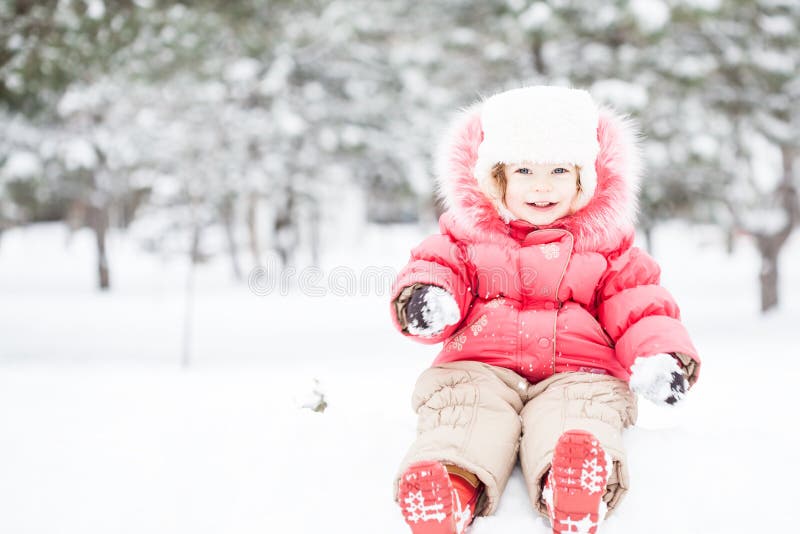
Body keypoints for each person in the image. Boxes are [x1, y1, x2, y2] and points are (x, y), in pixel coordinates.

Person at [389, 86, 700, 534]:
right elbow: (437, 267)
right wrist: (427, 299)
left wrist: (660, 357)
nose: (541, 185)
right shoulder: (466, 237)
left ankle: (572, 484)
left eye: (558, 169)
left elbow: (639, 304)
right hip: (481, 364)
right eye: (524, 170)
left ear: (583, 178)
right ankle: (447, 487)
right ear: (498, 178)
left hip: (578, 370)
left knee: (582, 412)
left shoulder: (608, 246)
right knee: (464, 409)